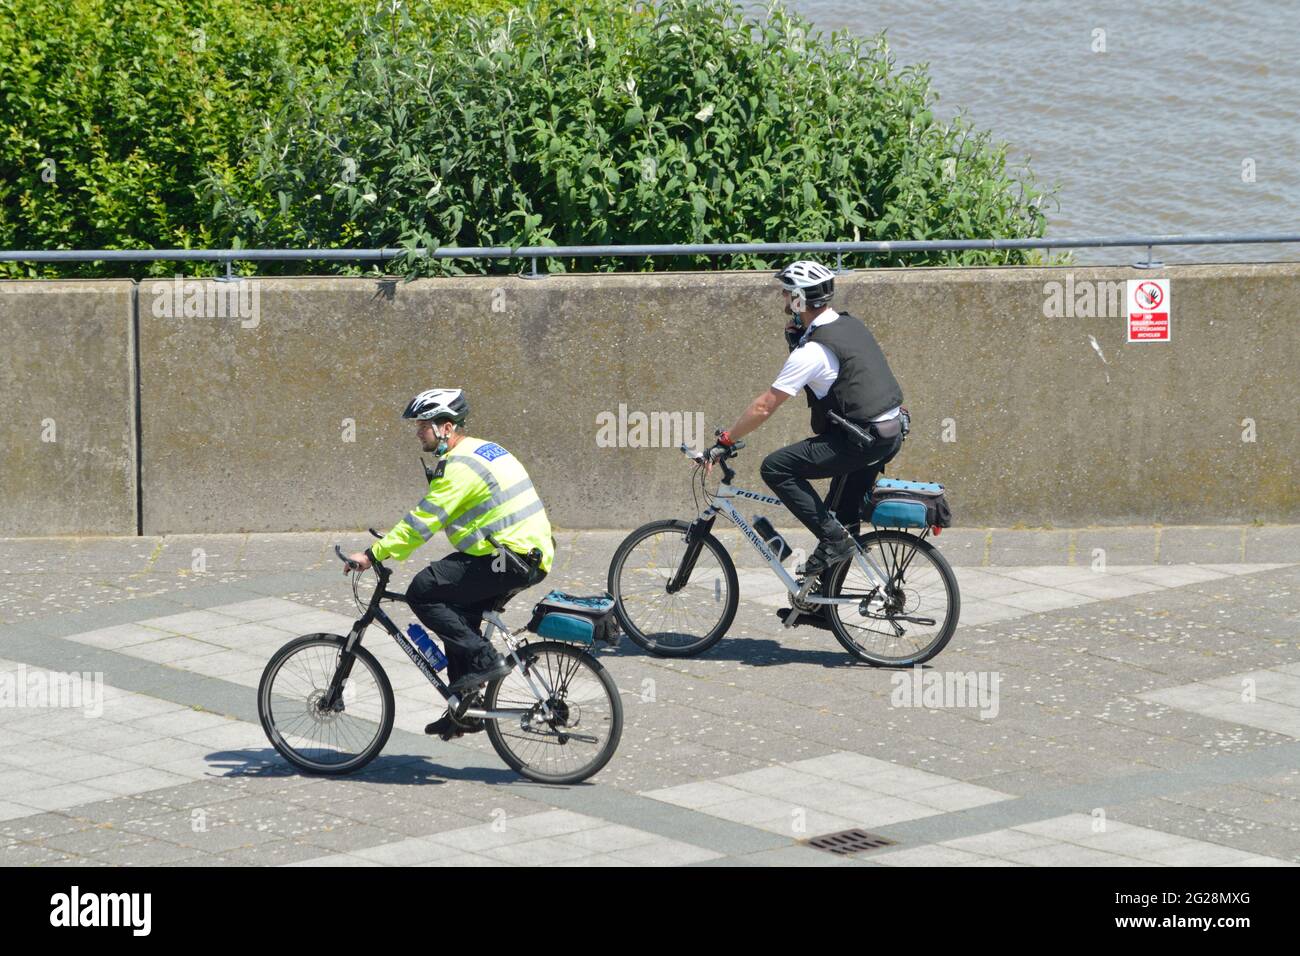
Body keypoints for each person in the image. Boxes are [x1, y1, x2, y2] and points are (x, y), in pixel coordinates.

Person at [344, 387, 554, 738]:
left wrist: (372, 555)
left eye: (422, 425)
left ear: (444, 427)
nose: (417, 433)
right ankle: (465, 709)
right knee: (457, 613)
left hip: (509, 557)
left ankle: (487, 660)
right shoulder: (483, 449)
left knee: (424, 590)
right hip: (523, 554)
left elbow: (424, 521)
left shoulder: (460, 466)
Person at [708, 260, 905, 582]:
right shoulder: (848, 324)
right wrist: (797, 338)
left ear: (799, 300)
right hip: (889, 432)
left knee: (776, 467)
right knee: (841, 516)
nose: (783, 299)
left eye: (787, 293)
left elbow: (764, 406)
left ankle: (833, 540)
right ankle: (825, 606)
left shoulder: (812, 351)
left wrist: (726, 440)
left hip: (862, 439)